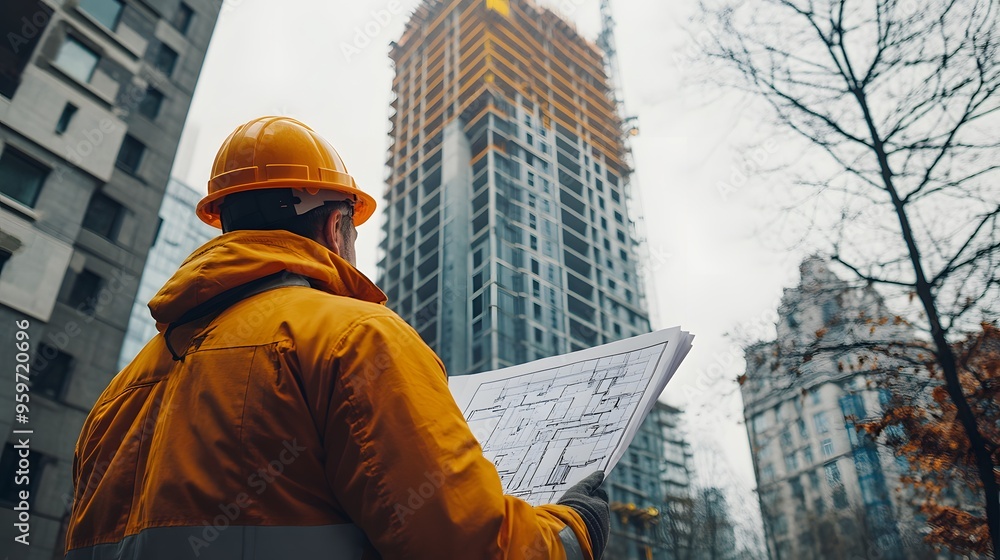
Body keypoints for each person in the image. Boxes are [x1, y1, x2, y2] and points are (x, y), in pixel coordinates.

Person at [65, 116, 609, 559]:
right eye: (353, 227)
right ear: (334, 227)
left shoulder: (119, 394)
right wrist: (573, 532)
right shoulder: (355, 339)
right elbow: (470, 547)